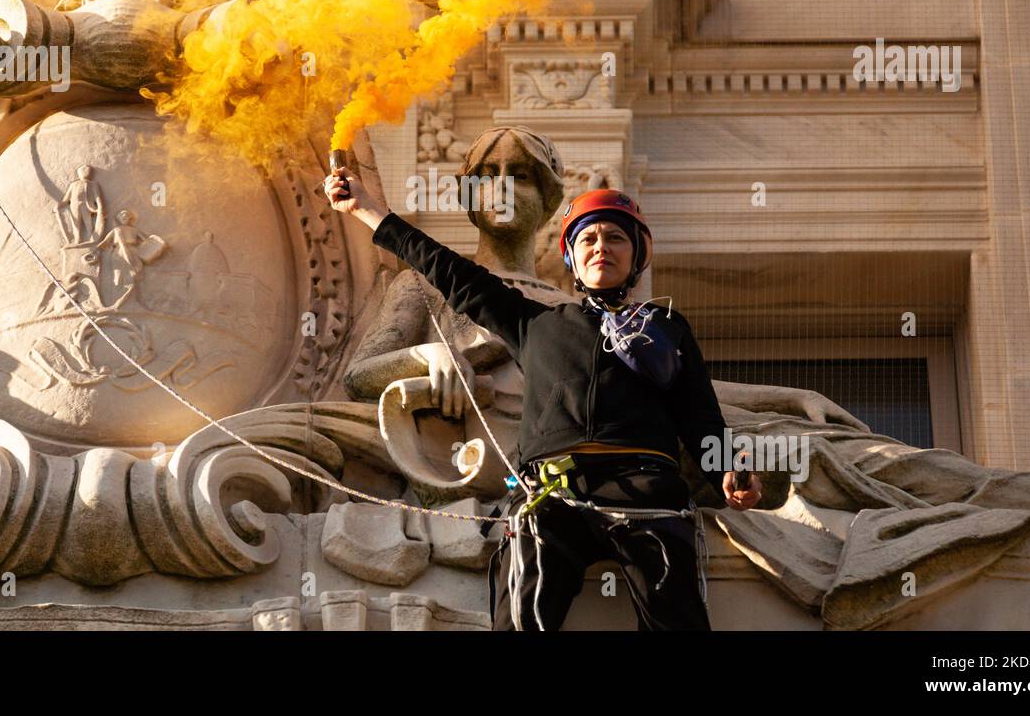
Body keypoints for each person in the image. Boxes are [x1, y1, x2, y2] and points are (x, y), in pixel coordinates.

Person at [324, 165, 762, 631]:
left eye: (615, 238)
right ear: (572, 257)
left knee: (678, 623)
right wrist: (370, 211)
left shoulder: (666, 328)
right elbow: (449, 271)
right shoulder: (535, 324)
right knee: (521, 619)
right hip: (553, 496)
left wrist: (727, 468)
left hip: (646, 492)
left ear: (636, 255)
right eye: (588, 239)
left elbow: (700, 415)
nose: (601, 247)